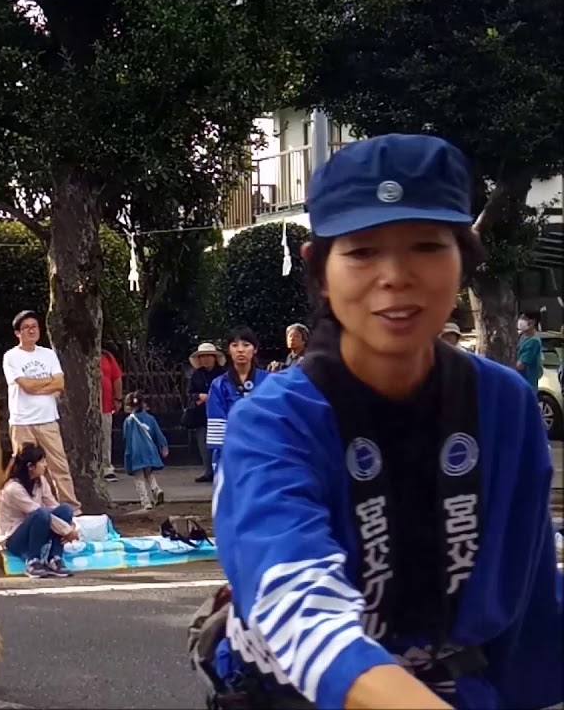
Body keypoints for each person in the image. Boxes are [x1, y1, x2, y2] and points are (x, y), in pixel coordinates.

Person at [208, 134, 562, 709]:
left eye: (426, 245)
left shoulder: (504, 403)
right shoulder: (273, 421)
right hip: (300, 693)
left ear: (463, 257)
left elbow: (533, 607)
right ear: (320, 270)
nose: (396, 275)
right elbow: (295, 603)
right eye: (363, 251)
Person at [2, 310, 77, 512]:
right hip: (22, 421)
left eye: (34, 326)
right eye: (26, 328)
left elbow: (60, 382)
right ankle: (27, 508)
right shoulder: (11, 356)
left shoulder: (48, 354)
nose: (31, 331)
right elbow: (26, 385)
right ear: (18, 332)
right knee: (26, 467)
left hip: (48, 419)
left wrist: (38, 385)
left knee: (59, 466)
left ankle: (71, 507)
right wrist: (47, 383)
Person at [0, 442, 77, 579]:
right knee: (41, 514)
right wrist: (67, 530)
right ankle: (33, 561)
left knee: (65, 510)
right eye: (42, 462)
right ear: (30, 467)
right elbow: (35, 511)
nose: (45, 465)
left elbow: (53, 506)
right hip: (14, 537)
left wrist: (70, 525)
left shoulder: (41, 481)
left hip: (38, 527)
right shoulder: (13, 489)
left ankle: (54, 558)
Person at [205, 327, 269, 475]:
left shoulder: (269, 381)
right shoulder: (219, 385)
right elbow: (216, 422)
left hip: (263, 451)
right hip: (230, 452)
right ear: (229, 350)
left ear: (255, 350)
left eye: (246, 345)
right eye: (235, 345)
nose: (240, 350)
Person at [184, 342, 225, 483]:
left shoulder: (223, 373)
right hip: (201, 414)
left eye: (208, 356)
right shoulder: (196, 375)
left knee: (220, 443)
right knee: (203, 444)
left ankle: (221, 471)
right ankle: (208, 471)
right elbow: (189, 393)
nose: (206, 359)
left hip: (220, 414)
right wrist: (199, 397)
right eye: (202, 356)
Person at [121, 391, 169, 511]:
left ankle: (145, 501)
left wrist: (127, 456)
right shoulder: (150, 419)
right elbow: (158, 434)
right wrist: (163, 446)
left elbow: (126, 438)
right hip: (149, 450)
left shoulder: (128, 421)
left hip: (136, 452)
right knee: (148, 473)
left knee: (139, 477)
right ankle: (156, 489)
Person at [100, 346, 124, 482]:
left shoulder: (106, 356)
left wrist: (118, 398)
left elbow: (117, 377)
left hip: (105, 405)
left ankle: (107, 467)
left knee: (105, 436)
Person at [516, 309, 543, 389]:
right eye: (520, 318)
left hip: (527, 384)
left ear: (533, 322)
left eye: (524, 319)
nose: (520, 321)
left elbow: (520, 365)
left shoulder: (533, 341)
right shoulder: (522, 336)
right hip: (518, 382)